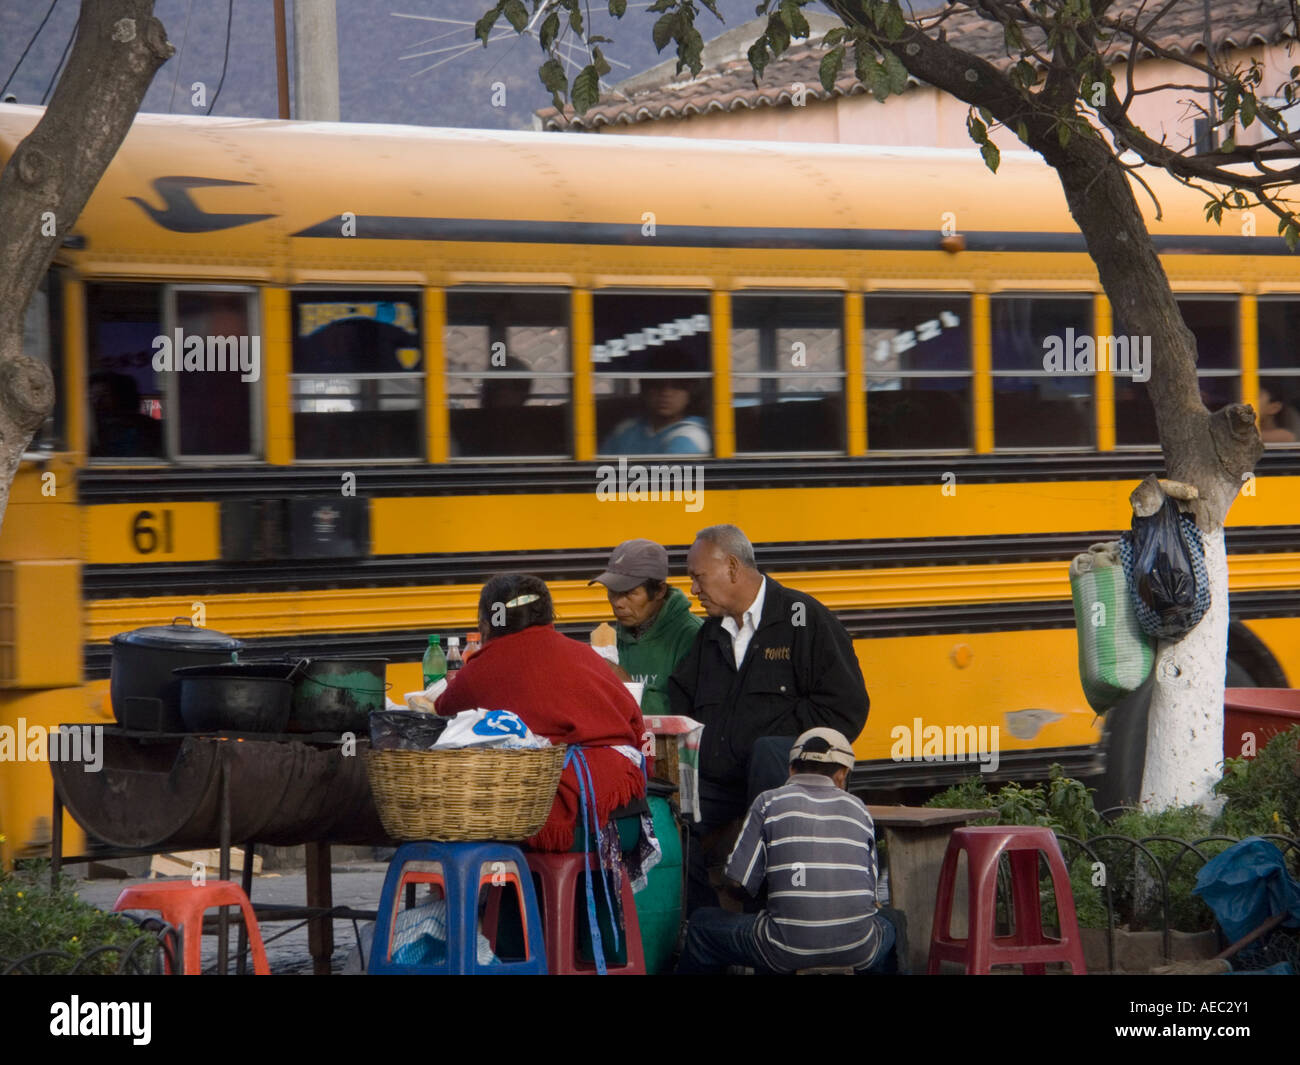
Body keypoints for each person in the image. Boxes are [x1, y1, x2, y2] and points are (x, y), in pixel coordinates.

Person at [668, 523, 869, 913]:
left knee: (768, 753)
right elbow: (682, 705)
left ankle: (768, 921)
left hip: (787, 783)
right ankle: (707, 926)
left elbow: (846, 707)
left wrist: (780, 746)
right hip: (720, 784)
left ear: (731, 567)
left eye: (697, 577)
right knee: (666, 820)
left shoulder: (802, 618)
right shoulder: (710, 634)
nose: (692, 590)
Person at [434, 572, 647, 851]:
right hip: (624, 812)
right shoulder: (584, 655)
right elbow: (636, 723)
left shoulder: (484, 666)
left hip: (567, 825)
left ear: (488, 623)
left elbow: (443, 709)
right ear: (548, 615)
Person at [676, 727, 895, 974]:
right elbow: (870, 892)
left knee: (702, 925)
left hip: (784, 951)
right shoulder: (860, 809)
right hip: (860, 949)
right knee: (893, 924)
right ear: (843, 774)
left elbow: (738, 883)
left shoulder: (769, 801)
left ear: (791, 769)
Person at [588, 538, 702, 717]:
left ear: (659, 591)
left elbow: (692, 715)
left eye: (630, 593)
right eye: (613, 591)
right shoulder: (611, 639)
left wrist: (626, 686)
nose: (618, 603)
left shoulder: (693, 637)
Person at [599, 346, 710, 455]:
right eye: (657, 384)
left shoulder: (690, 437)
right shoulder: (626, 430)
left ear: (691, 392)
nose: (666, 393)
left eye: (677, 386)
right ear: (645, 389)